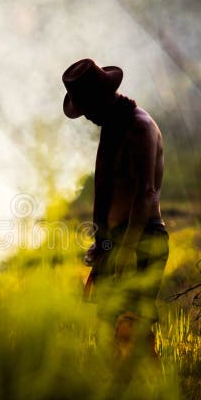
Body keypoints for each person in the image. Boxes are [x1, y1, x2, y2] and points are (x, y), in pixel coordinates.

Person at [61, 58, 169, 357]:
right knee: (109, 333)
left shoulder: (138, 127)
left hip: (141, 240)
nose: (87, 117)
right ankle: (124, 387)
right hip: (116, 241)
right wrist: (104, 244)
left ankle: (150, 386)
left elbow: (145, 192)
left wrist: (128, 249)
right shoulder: (113, 126)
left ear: (100, 100)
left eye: (87, 110)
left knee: (131, 330)